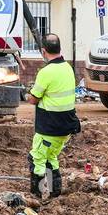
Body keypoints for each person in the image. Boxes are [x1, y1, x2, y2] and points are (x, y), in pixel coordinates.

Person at [26, 33, 80, 198]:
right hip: (66, 126)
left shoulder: (46, 72)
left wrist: (30, 92)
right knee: (51, 157)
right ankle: (54, 190)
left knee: (37, 158)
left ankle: (39, 193)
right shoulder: (68, 68)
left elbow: (33, 99)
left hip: (49, 126)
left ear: (43, 51)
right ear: (60, 48)